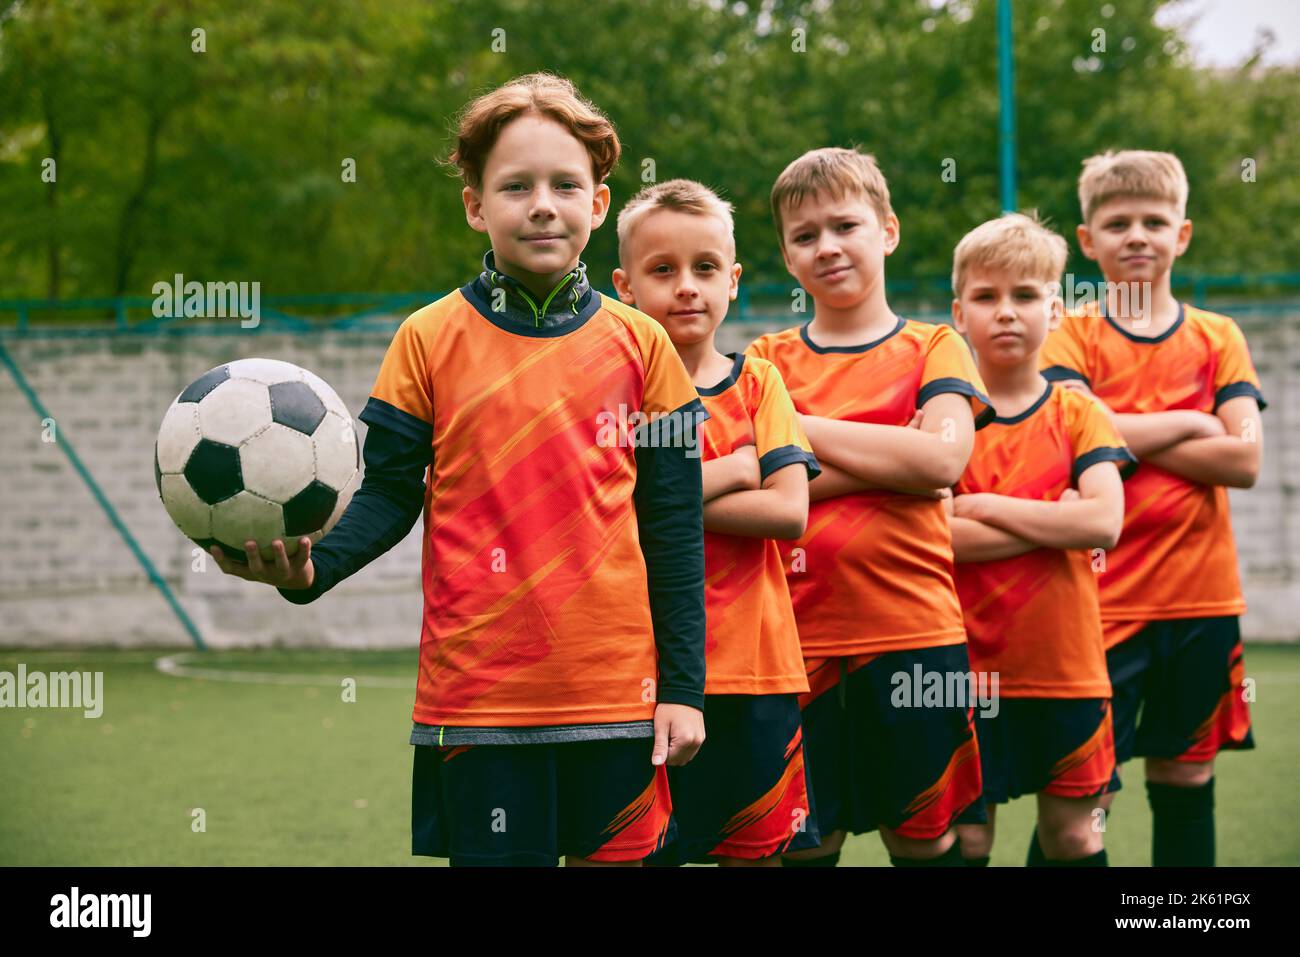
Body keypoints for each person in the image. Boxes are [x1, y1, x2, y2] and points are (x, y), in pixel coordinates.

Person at [209, 72, 709, 867]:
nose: (542, 203)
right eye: (516, 186)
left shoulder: (645, 346)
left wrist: (684, 687)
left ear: (600, 204)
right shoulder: (425, 337)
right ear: (476, 205)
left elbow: (676, 531)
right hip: (477, 701)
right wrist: (309, 570)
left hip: (622, 700)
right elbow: (388, 497)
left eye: (564, 185)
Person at [747, 147, 992, 866]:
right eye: (804, 235)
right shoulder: (766, 360)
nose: (826, 246)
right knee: (805, 843)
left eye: (845, 225)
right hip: (797, 645)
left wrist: (801, 435)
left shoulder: (936, 345)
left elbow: (945, 459)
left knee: (922, 837)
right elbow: (768, 492)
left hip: (915, 635)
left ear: (887, 230)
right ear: (787, 258)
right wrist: (893, 458)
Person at [1039, 149, 1265, 867]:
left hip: (1199, 603)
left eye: (1154, 221)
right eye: (1117, 222)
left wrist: (1119, 430)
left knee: (1185, 778)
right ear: (1087, 240)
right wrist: (1194, 424)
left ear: (1183, 233)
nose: (1137, 235)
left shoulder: (1218, 336)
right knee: (1082, 801)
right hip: (1096, 607)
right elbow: (1068, 439)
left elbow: (1246, 458)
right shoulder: (1070, 331)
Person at [612, 178, 821, 866]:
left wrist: (664, 494)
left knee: (753, 853)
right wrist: (733, 469)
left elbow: (789, 511)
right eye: (662, 270)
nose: (686, 287)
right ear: (624, 285)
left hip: (754, 671)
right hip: (641, 676)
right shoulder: (615, 392)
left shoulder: (758, 382)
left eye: (705, 268)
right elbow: (614, 512)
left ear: (732, 279)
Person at [945, 212, 1135, 867]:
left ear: (1054, 311)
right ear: (958, 312)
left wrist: (986, 505)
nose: (1006, 312)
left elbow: (1101, 522)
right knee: (968, 839)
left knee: (1076, 836)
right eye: (987, 296)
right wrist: (1052, 518)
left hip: (1067, 671)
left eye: (1025, 296)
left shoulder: (1081, 412)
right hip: (962, 677)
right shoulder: (944, 418)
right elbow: (937, 539)